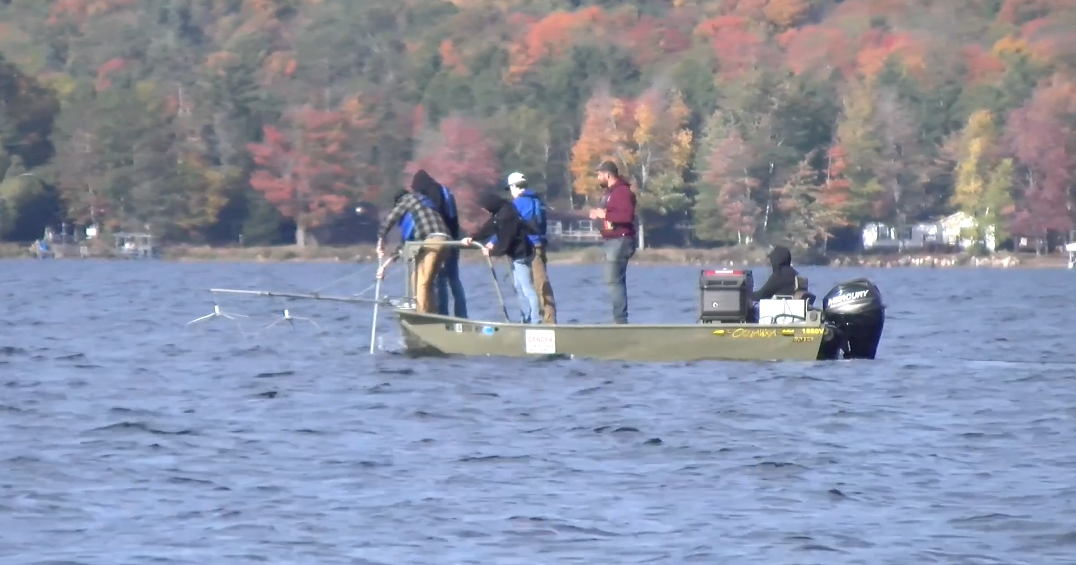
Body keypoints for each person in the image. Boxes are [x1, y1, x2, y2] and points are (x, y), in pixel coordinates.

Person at [461, 192, 541, 324]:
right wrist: (473, 237)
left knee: (526, 288)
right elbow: (489, 228)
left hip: (521, 253)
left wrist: (492, 252)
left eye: (485, 207)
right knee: (519, 287)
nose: (485, 210)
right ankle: (526, 318)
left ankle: (535, 320)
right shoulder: (500, 211)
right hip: (516, 254)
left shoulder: (506, 215)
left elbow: (506, 240)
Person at [377, 189, 452, 314]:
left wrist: (381, 238)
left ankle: (422, 315)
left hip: (434, 240)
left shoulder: (408, 199)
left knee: (421, 281)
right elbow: (404, 246)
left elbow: (391, 218)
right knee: (421, 280)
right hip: (446, 242)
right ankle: (431, 312)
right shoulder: (423, 209)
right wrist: (384, 267)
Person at [410, 169, 468, 318]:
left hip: (443, 240)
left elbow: (435, 217)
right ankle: (461, 314)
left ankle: (442, 314)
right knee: (453, 278)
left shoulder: (432, 193)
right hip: (454, 239)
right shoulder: (445, 191)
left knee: (440, 277)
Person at [505, 172, 556, 324]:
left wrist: (495, 243)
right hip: (539, 245)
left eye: (510, 188)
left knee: (535, 286)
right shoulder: (538, 201)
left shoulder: (518, 203)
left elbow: (508, 225)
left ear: (514, 187)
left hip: (528, 247)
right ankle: (543, 319)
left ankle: (540, 322)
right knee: (533, 284)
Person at [589, 160, 637, 324]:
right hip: (612, 241)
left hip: (620, 240)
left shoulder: (622, 192)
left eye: (599, 174)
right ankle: (619, 320)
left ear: (607, 174)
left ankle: (620, 322)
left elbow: (626, 216)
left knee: (614, 281)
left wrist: (604, 215)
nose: (598, 178)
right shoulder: (610, 193)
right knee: (614, 281)